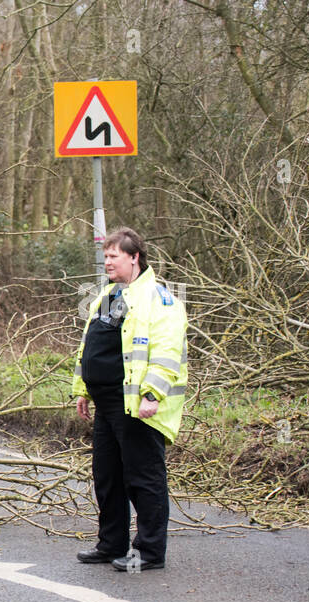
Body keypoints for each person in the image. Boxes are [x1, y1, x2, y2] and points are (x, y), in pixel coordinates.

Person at [71, 227, 189, 572]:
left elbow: (167, 353)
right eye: (105, 256)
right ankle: (111, 545)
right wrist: (82, 389)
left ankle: (149, 551)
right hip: (107, 404)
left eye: (113, 256)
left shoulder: (161, 299)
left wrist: (152, 394)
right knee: (107, 477)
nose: (106, 262)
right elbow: (90, 345)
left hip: (138, 405)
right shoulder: (108, 295)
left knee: (143, 478)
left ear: (134, 257)